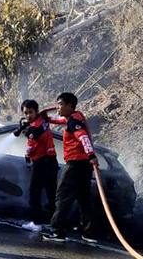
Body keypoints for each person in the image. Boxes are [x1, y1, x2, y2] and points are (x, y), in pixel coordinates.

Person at [41, 92, 103, 243]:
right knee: (84, 199)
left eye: (61, 104)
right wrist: (47, 118)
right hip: (84, 166)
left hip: (75, 164)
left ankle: (57, 231)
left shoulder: (73, 122)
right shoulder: (76, 117)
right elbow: (61, 120)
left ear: (70, 106)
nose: (58, 108)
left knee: (62, 196)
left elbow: (83, 137)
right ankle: (89, 233)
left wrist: (91, 155)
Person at [13, 99, 59, 232]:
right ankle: (57, 225)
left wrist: (27, 156)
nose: (28, 115)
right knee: (51, 194)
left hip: (41, 162)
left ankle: (37, 223)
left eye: (30, 112)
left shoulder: (35, 127)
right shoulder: (43, 121)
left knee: (34, 191)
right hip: (51, 161)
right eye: (25, 113)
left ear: (37, 111)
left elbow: (31, 145)